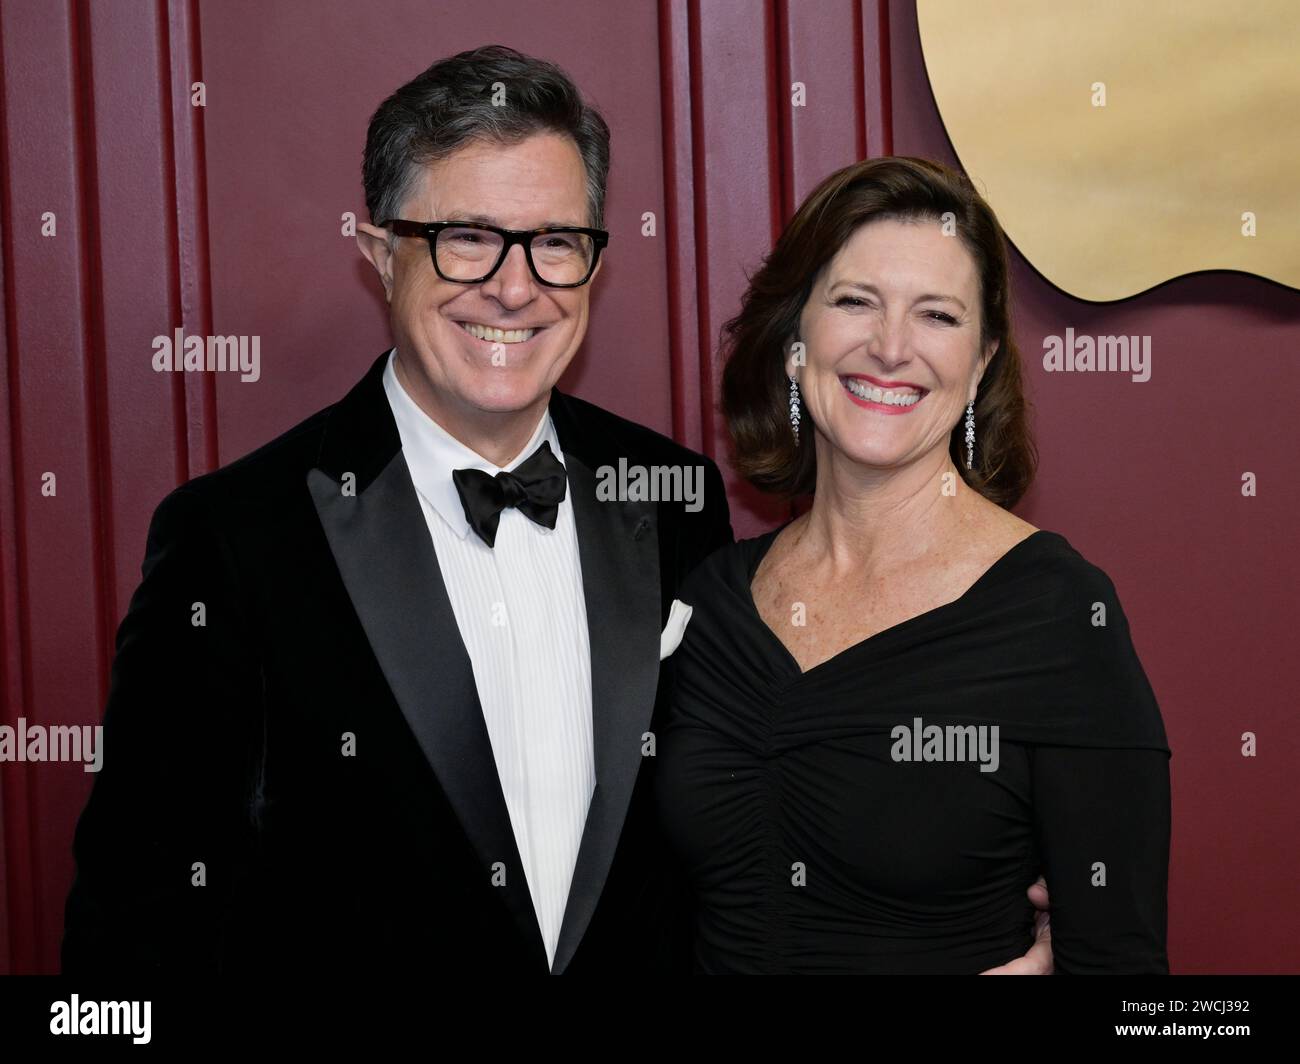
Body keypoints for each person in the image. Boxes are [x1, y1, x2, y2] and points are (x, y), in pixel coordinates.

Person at [60, 45, 733, 975]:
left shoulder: (674, 497)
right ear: (381, 258)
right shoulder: (234, 538)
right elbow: (135, 917)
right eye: (465, 237)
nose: (513, 285)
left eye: (555, 242)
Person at [655, 156, 1171, 974]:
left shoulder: (1059, 615)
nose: (891, 347)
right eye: (856, 301)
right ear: (794, 342)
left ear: (982, 362)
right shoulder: (711, 599)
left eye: (937, 316)